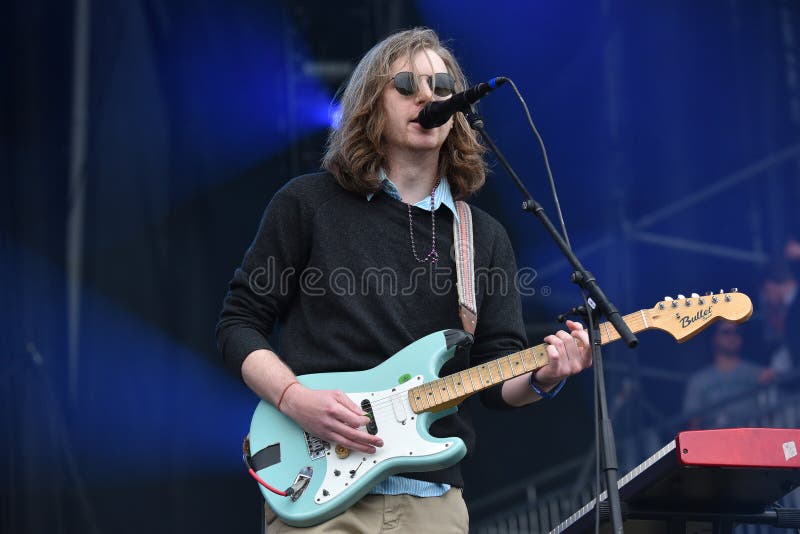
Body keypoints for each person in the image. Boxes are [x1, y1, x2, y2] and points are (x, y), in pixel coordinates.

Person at [216, 27, 592, 532]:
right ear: (372, 102)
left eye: (440, 86)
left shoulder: (482, 236)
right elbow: (239, 323)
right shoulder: (308, 204)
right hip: (321, 494)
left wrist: (546, 376)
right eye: (406, 85)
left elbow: (497, 378)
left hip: (431, 503)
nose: (427, 97)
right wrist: (293, 398)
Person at [682, 321, 775, 430]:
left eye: (737, 332)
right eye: (726, 332)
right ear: (714, 338)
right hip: (715, 440)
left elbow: (771, 410)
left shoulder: (757, 373)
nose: (732, 337)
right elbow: (693, 422)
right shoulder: (699, 380)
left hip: (751, 437)